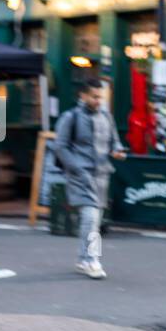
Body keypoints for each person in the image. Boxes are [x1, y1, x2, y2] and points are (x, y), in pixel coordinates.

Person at [54, 76, 126, 280]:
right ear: (83, 95)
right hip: (80, 175)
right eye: (94, 96)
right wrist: (77, 169)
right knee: (90, 216)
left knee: (95, 219)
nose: (98, 100)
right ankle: (91, 259)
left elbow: (115, 142)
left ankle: (82, 258)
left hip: (102, 175)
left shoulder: (106, 117)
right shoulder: (71, 117)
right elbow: (60, 147)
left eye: (100, 97)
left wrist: (118, 151)